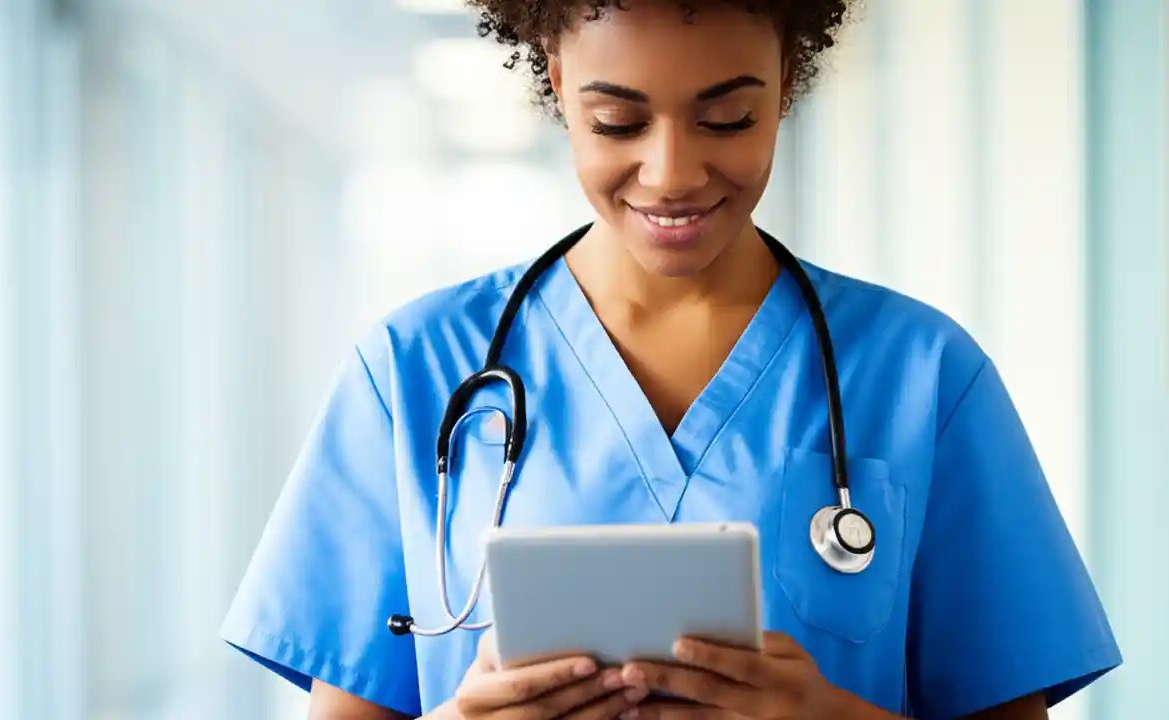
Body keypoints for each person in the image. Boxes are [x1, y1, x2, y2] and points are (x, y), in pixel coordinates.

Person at [219, 1, 1122, 718]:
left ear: (786, 83)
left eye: (728, 117)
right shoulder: (414, 373)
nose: (672, 173)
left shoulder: (923, 376)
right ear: (556, 77)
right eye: (617, 121)